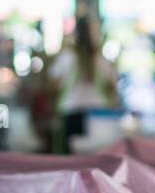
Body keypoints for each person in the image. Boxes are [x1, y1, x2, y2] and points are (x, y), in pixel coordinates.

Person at [49, 11, 119, 144]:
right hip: (97, 113)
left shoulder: (67, 57)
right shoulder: (100, 59)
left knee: (73, 160)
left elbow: (54, 83)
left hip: (71, 109)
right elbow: (112, 85)